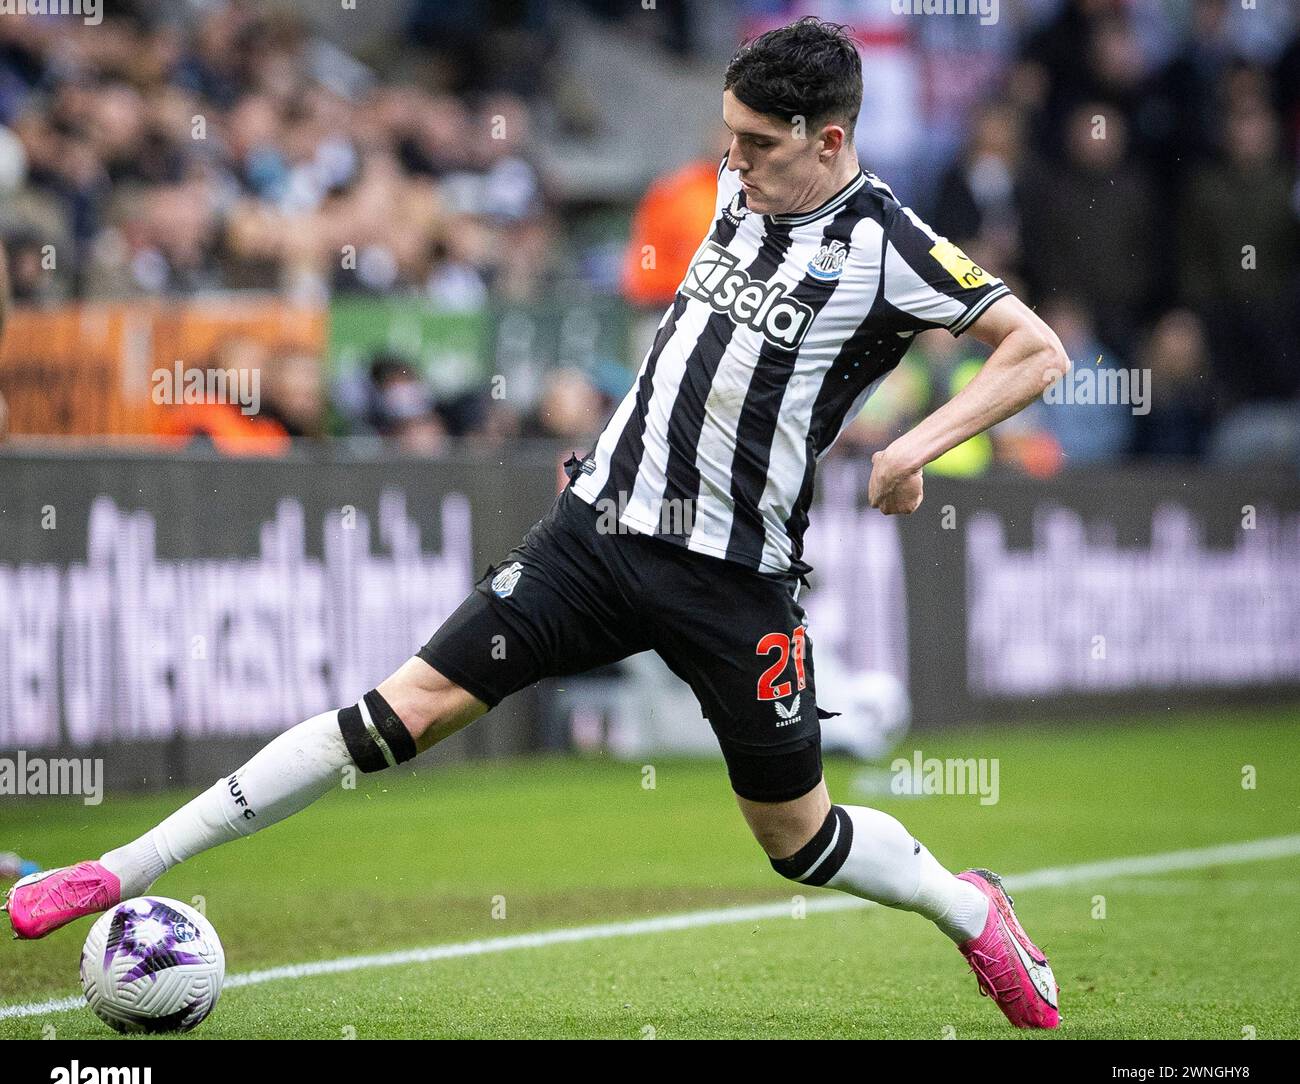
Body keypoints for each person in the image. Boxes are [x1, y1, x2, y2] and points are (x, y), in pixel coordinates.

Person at [5, 19, 1067, 1031]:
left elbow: (1035, 350)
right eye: (725, 136)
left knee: (797, 839)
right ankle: (121, 867)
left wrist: (911, 446)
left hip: (732, 580)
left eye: (753, 145)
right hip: (596, 535)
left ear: (827, 140)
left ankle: (970, 908)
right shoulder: (736, 192)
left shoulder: (887, 242)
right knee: (397, 711)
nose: (730, 165)